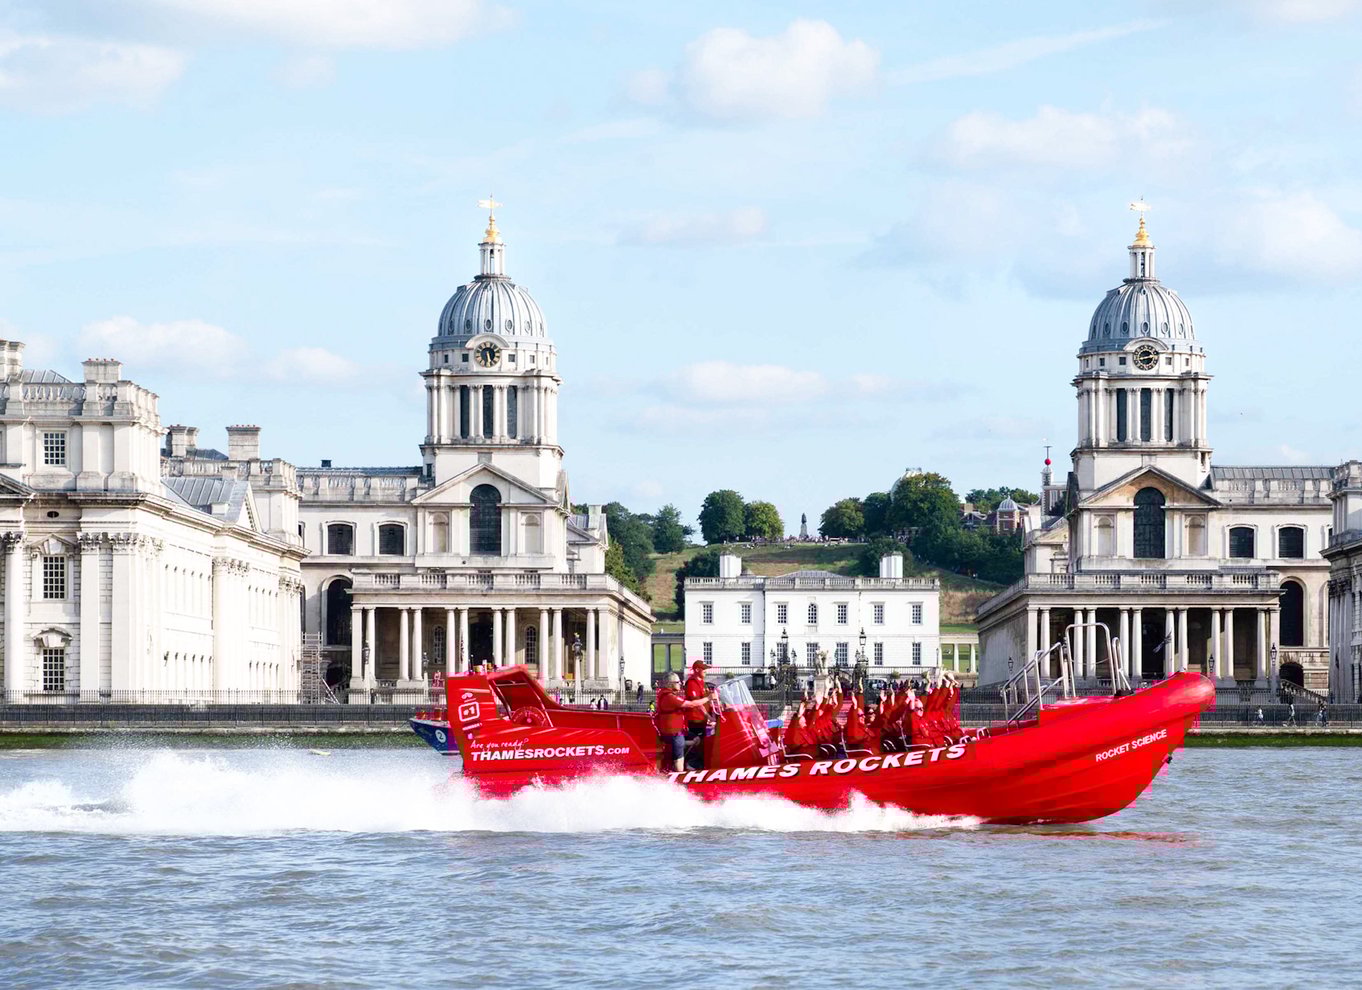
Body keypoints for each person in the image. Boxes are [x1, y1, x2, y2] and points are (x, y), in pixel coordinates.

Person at [654, 673, 709, 772]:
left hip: (679, 730)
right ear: (670, 684)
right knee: (679, 757)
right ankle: (680, 775)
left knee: (697, 738)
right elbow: (691, 704)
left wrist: (707, 715)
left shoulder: (670, 695)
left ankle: (690, 762)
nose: (680, 684)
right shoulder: (669, 697)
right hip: (673, 732)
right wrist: (708, 698)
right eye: (678, 682)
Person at [684, 660, 710, 746]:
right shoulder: (692, 683)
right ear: (697, 670)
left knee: (702, 741)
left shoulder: (702, 682)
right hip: (695, 719)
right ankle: (694, 758)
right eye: (704, 669)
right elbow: (696, 703)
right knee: (697, 743)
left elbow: (707, 698)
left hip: (702, 718)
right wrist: (708, 716)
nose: (706, 671)